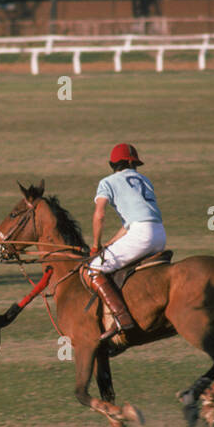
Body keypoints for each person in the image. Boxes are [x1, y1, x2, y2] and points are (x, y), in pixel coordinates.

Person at [87, 143, 167, 341]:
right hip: (159, 233)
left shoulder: (107, 182)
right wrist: (110, 244)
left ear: (112, 164)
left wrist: (96, 246)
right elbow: (131, 223)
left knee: (94, 268)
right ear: (135, 164)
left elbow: (99, 215)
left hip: (141, 235)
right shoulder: (145, 180)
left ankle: (121, 319)